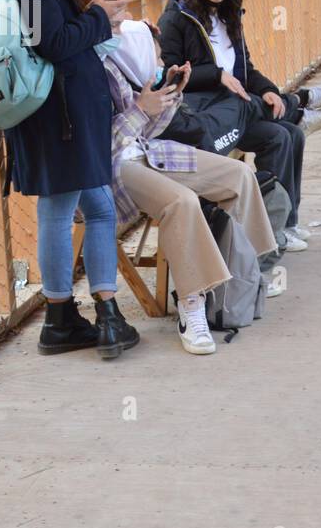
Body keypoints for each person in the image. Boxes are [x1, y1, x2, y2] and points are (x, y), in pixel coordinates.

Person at [0, 0, 140, 360]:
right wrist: (100, 17)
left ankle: (92, 313)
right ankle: (64, 315)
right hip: (60, 115)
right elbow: (50, 41)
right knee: (60, 208)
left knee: (96, 206)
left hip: (58, 113)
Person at [102, 21, 277, 355]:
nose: (158, 61)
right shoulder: (93, 70)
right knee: (182, 202)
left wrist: (171, 92)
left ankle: (246, 274)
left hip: (149, 151)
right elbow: (102, 146)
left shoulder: (121, 67)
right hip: (115, 168)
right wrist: (140, 110)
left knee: (239, 175)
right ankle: (191, 305)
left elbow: (152, 129)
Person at [157, 0, 321, 251]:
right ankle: (298, 104)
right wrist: (215, 75)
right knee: (278, 121)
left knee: (287, 136)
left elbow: (245, 71)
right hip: (208, 119)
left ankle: (284, 225)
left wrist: (268, 89)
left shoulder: (230, 15)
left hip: (238, 108)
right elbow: (168, 73)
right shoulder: (176, 19)